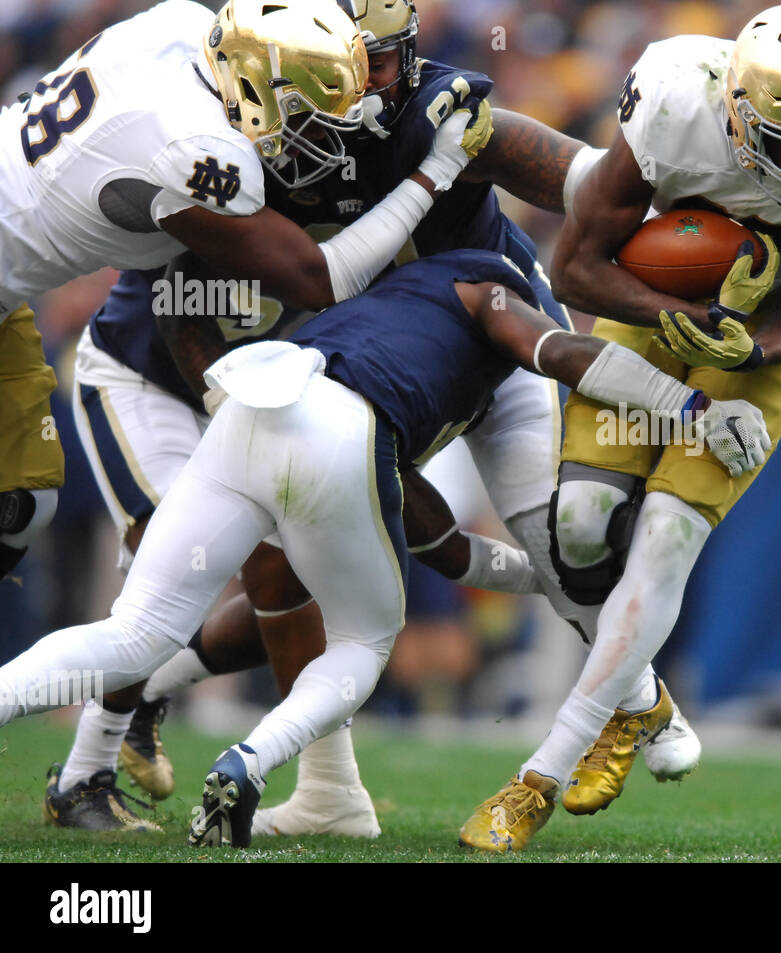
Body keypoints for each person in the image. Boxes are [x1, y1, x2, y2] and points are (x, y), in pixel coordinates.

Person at [45, 0, 604, 838]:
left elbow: (565, 177)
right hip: (156, 374)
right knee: (173, 596)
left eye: (364, 73)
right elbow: (204, 314)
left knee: (282, 571)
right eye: (326, 81)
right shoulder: (225, 154)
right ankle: (86, 766)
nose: (350, 106)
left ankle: (294, 772)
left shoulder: (389, 142)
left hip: (270, 382)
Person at [0, 246, 770, 850]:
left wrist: (545, 582)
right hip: (331, 426)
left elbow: (447, 550)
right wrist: (689, 406)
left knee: (133, 629)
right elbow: (560, 354)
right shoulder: (486, 285)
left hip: (254, 403)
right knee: (365, 642)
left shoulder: (387, 314)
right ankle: (249, 759)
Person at [457, 3, 781, 852]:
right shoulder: (673, 103)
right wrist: (682, 313)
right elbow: (579, 270)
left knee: (667, 535)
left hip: (759, 344)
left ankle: (539, 777)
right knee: (581, 529)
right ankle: (642, 704)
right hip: (652, 309)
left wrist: (749, 349)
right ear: (736, 114)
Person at [0, 0, 490, 585]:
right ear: (258, 86)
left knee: (21, 507)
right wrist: (435, 169)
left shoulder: (182, 24)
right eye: (304, 112)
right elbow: (321, 279)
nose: (320, 133)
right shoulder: (195, 149)